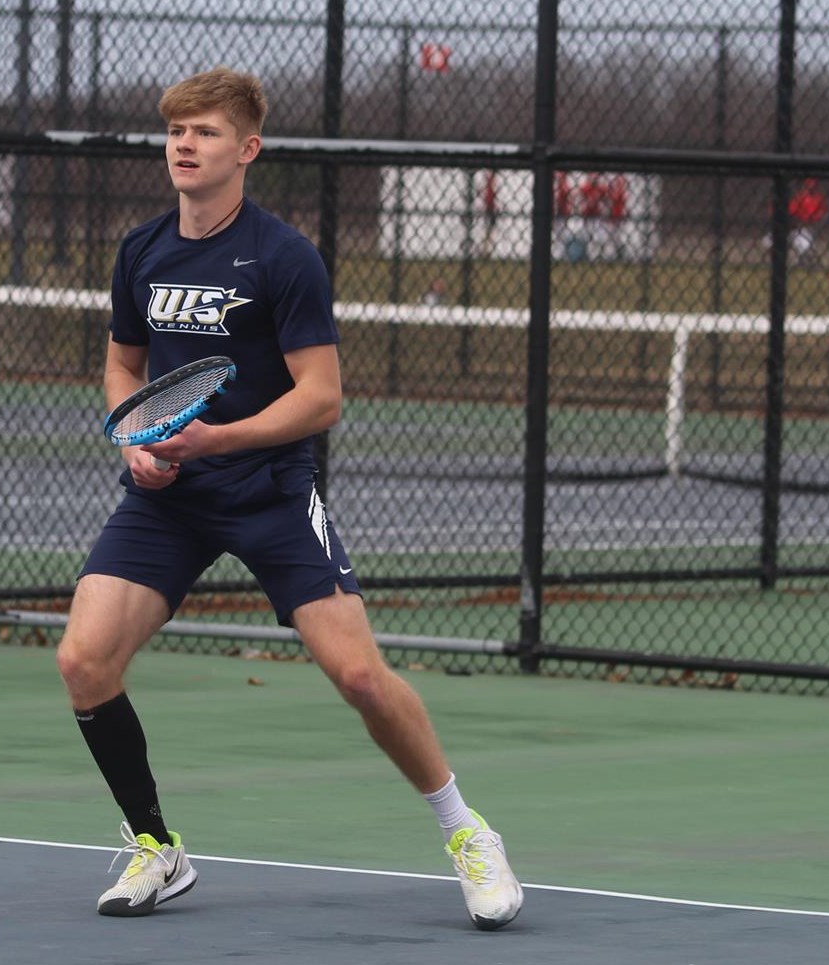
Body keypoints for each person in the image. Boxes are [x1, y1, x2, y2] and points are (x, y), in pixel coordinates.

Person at [55, 68, 522, 931]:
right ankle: (157, 845)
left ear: (248, 149)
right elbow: (123, 365)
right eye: (176, 131)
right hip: (168, 498)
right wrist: (134, 439)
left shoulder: (283, 257)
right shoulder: (142, 250)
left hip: (270, 491)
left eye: (204, 132)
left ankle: (467, 831)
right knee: (83, 661)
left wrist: (219, 440)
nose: (185, 146)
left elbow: (322, 397)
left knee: (360, 675)